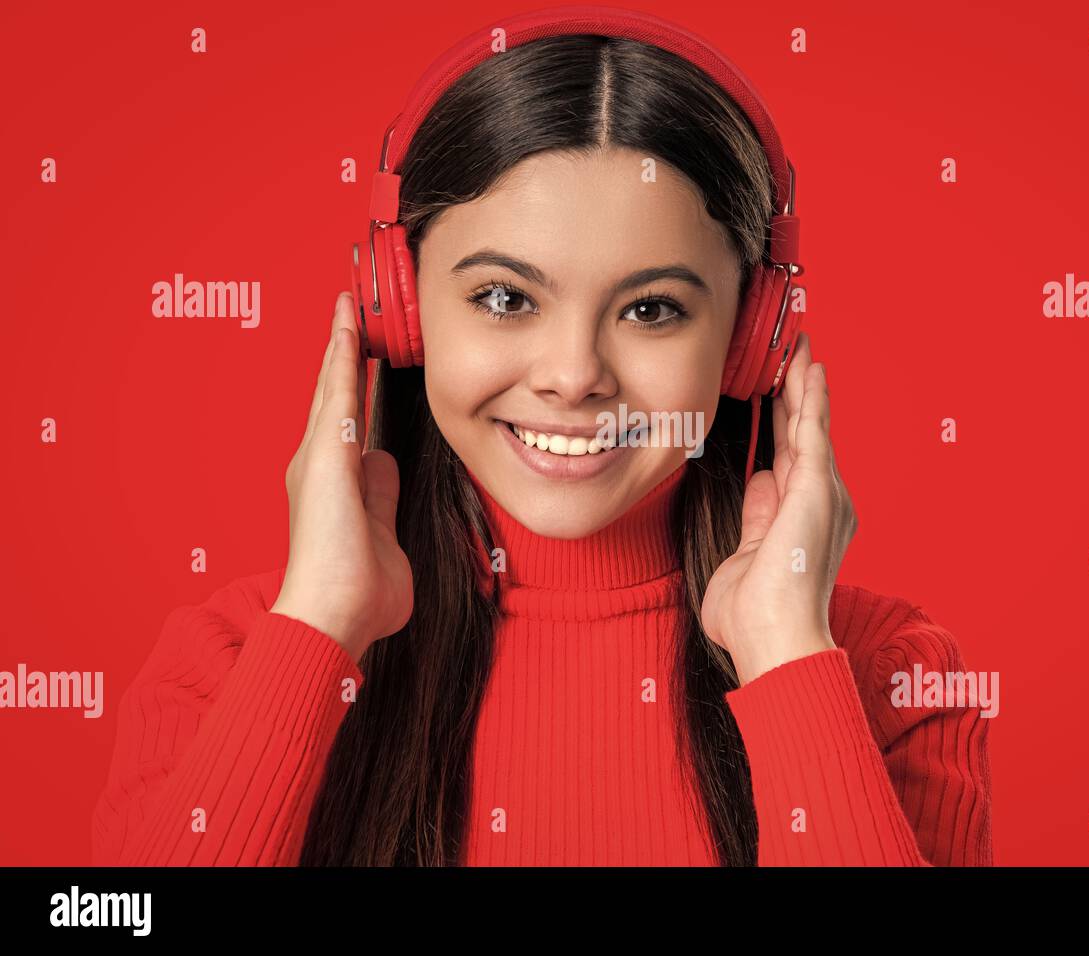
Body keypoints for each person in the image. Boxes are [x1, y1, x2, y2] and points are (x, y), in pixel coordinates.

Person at [91, 24, 992, 867]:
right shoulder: (229, 666)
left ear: (752, 338)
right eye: (504, 297)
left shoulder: (888, 678)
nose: (572, 376)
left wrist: (791, 657)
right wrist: (320, 626)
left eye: (651, 310)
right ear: (398, 314)